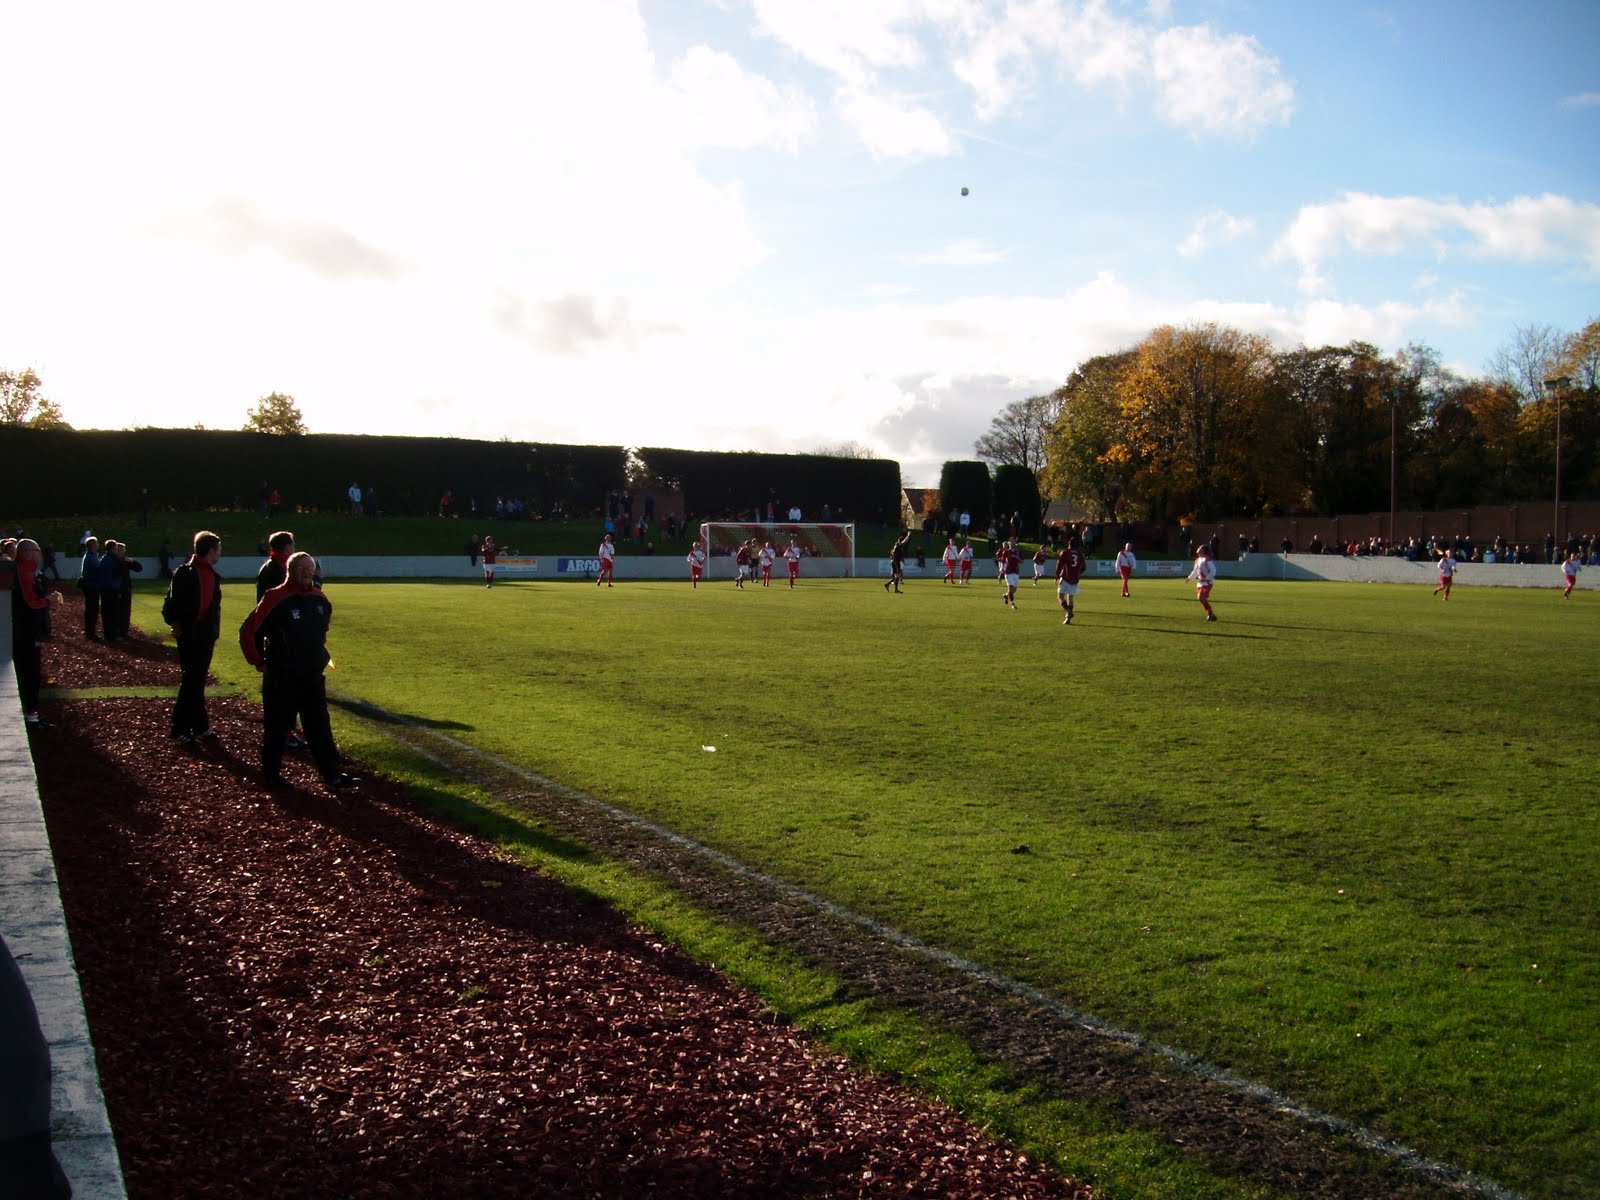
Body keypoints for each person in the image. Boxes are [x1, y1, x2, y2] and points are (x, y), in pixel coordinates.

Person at [239, 551, 359, 793]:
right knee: (277, 727)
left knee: (320, 726)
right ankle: (272, 775)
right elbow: (247, 631)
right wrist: (259, 662)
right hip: (282, 677)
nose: (307, 572)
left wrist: (319, 659)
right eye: (302, 568)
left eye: (310, 568)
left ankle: (332, 775)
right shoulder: (275, 597)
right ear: (290, 571)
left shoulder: (320, 599)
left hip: (313, 677)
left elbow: (321, 633)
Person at [165, 530, 224, 743]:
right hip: (192, 636)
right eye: (218, 550)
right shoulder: (187, 573)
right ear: (210, 551)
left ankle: (200, 726)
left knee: (196, 681)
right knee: (192, 682)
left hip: (203, 636)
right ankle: (180, 728)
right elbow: (171, 605)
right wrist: (177, 624)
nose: (220, 554)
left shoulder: (209, 574)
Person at [10, 540, 58, 732]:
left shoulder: (24, 570)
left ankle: (30, 714)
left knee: (30, 673)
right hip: (26, 631)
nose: (40, 554)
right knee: (30, 673)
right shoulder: (23, 571)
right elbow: (29, 603)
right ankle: (30, 716)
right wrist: (48, 601)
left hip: (26, 629)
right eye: (37, 550)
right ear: (29, 553)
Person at [102, 539, 143, 641]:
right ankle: (117, 632)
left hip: (125, 589)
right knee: (117, 612)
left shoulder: (124, 560)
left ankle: (124, 632)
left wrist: (131, 561)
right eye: (121, 550)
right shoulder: (114, 561)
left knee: (125, 612)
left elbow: (139, 568)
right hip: (118, 589)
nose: (123, 552)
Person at [256, 531, 296, 600]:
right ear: (287, 547)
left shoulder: (271, 565)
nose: (293, 549)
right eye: (292, 545)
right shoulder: (277, 568)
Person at [1056, 535, 1087, 624]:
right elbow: (1084, 567)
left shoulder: (1065, 552)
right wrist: (1078, 573)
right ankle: (1068, 617)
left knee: (1060, 596)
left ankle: (1068, 611)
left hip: (1065, 577)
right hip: (1075, 579)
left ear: (1069, 544)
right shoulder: (1080, 554)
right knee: (1070, 599)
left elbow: (1059, 565)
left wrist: (1057, 576)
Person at [79, 535, 105, 640]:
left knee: (92, 609)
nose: (98, 545)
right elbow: (98, 569)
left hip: (90, 585)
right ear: (93, 545)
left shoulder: (90, 556)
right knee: (92, 609)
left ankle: (90, 631)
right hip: (91, 586)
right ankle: (90, 632)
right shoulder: (91, 557)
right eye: (96, 543)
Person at [1187, 548, 1217, 621]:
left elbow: (1213, 570)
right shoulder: (1197, 560)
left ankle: (1211, 614)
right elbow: (1195, 571)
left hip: (1207, 582)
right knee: (1200, 598)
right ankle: (1211, 614)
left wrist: (1207, 578)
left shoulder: (1207, 559)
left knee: (1201, 597)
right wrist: (1190, 578)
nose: (1197, 550)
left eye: (1199, 549)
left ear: (1203, 551)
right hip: (1200, 583)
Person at [1001, 539, 1022, 608]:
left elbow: (1022, 561)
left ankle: (1006, 596)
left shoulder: (1018, 552)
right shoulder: (1006, 552)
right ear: (1009, 544)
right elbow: (1003, 561)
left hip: (1016, 572)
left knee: (1014, 589)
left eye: (1014, 542)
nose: (1012, 543)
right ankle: (1013, 604)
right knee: (1010, 588)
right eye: (1011, 542)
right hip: (1008, 572)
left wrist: (1017, 558)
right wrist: (1002, 569)